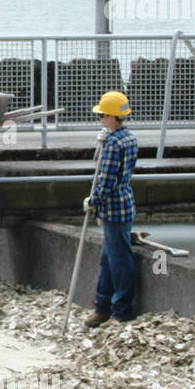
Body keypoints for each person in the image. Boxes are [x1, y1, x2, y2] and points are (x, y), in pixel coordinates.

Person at [84, 91, 139, 326]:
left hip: (113, 209)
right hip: (124, 204)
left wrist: (93, 201)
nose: (100, 120)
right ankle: (103, 306)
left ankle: (120, 310)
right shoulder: (128, 138)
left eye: (102, 116)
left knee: (118, 260)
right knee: (108, 260)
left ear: (111, 117)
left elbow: (106, 179)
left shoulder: (114, 144)